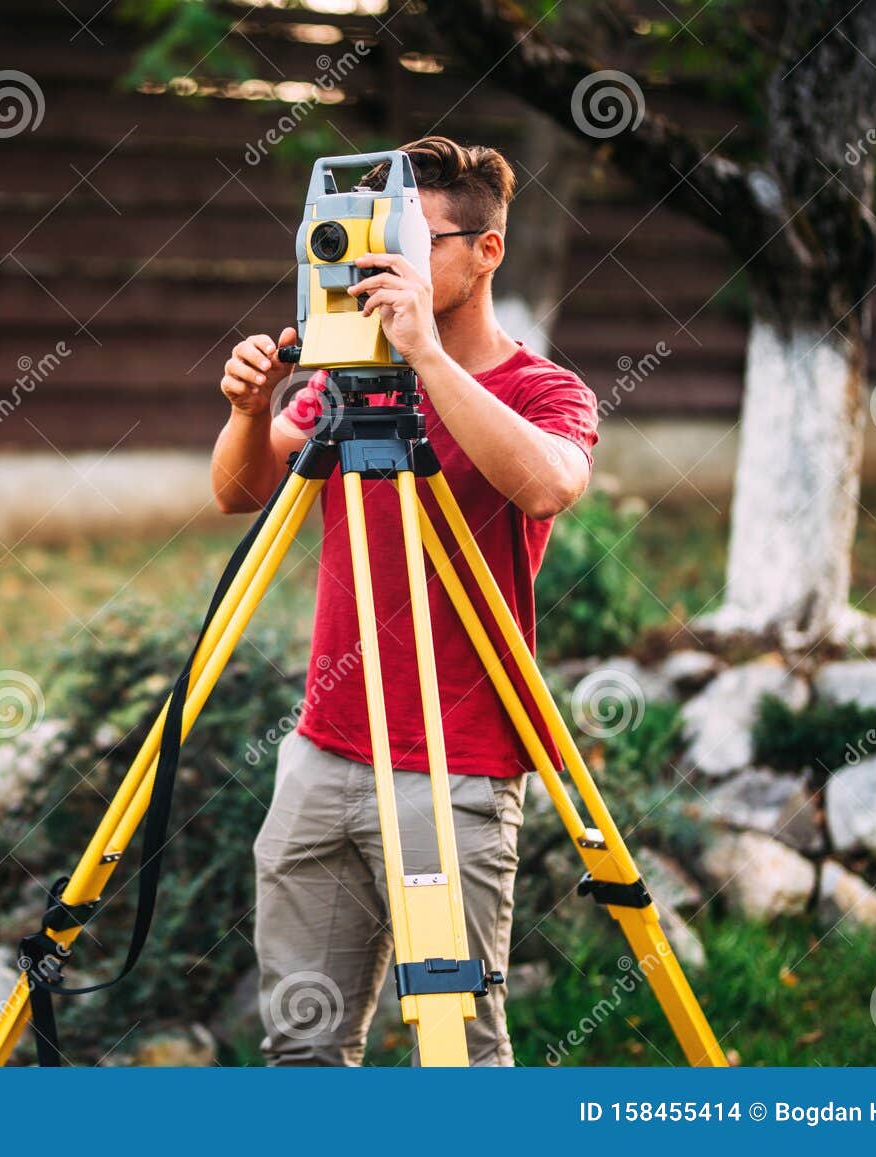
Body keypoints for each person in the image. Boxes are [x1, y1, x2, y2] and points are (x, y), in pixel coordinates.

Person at [209, 135, 600, 1066]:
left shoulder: (544, 390)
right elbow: (237, 491)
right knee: (301, 1048)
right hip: (322, 752)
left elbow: (548, 485)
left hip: (454, 766)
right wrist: (248, 411)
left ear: (486, 251)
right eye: (384, 235)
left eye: (418, 241)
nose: (392, 260)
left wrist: (426, 354)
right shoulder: (349, 376)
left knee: (457, 1057)